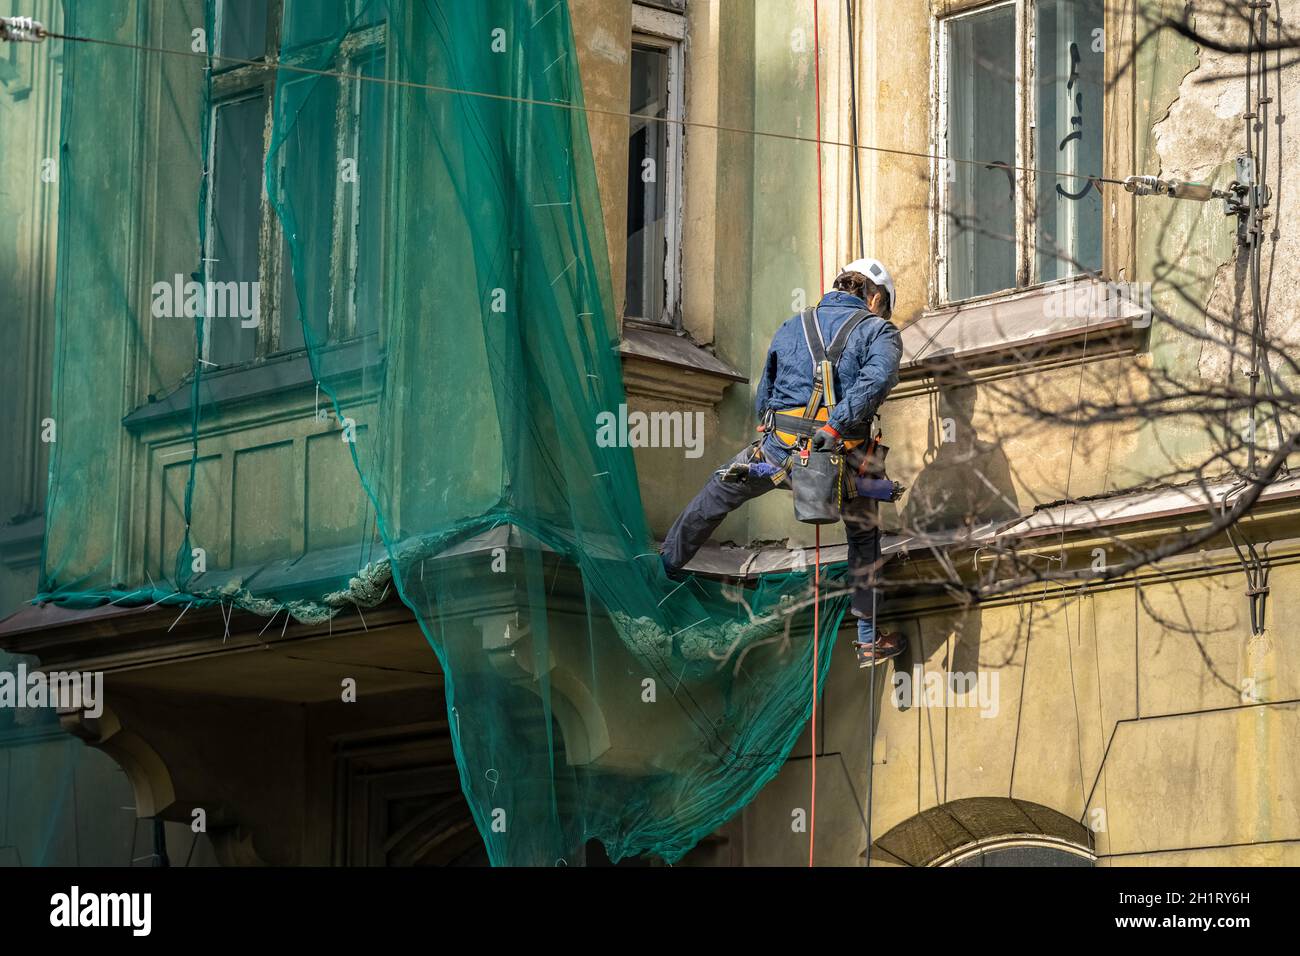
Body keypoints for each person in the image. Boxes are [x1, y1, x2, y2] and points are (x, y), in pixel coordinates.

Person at [660, 258, 906, 667]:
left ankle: (662, 570)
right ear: (875, 296)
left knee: (720, 489)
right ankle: (867, 640)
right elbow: (876, 381)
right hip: (843, 459)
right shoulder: (879, 330)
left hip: (779, 452)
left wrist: (770, 430)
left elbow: (767, 385)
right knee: (863, 536)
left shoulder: (794, 326)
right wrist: (837, 426)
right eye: (882, 305)